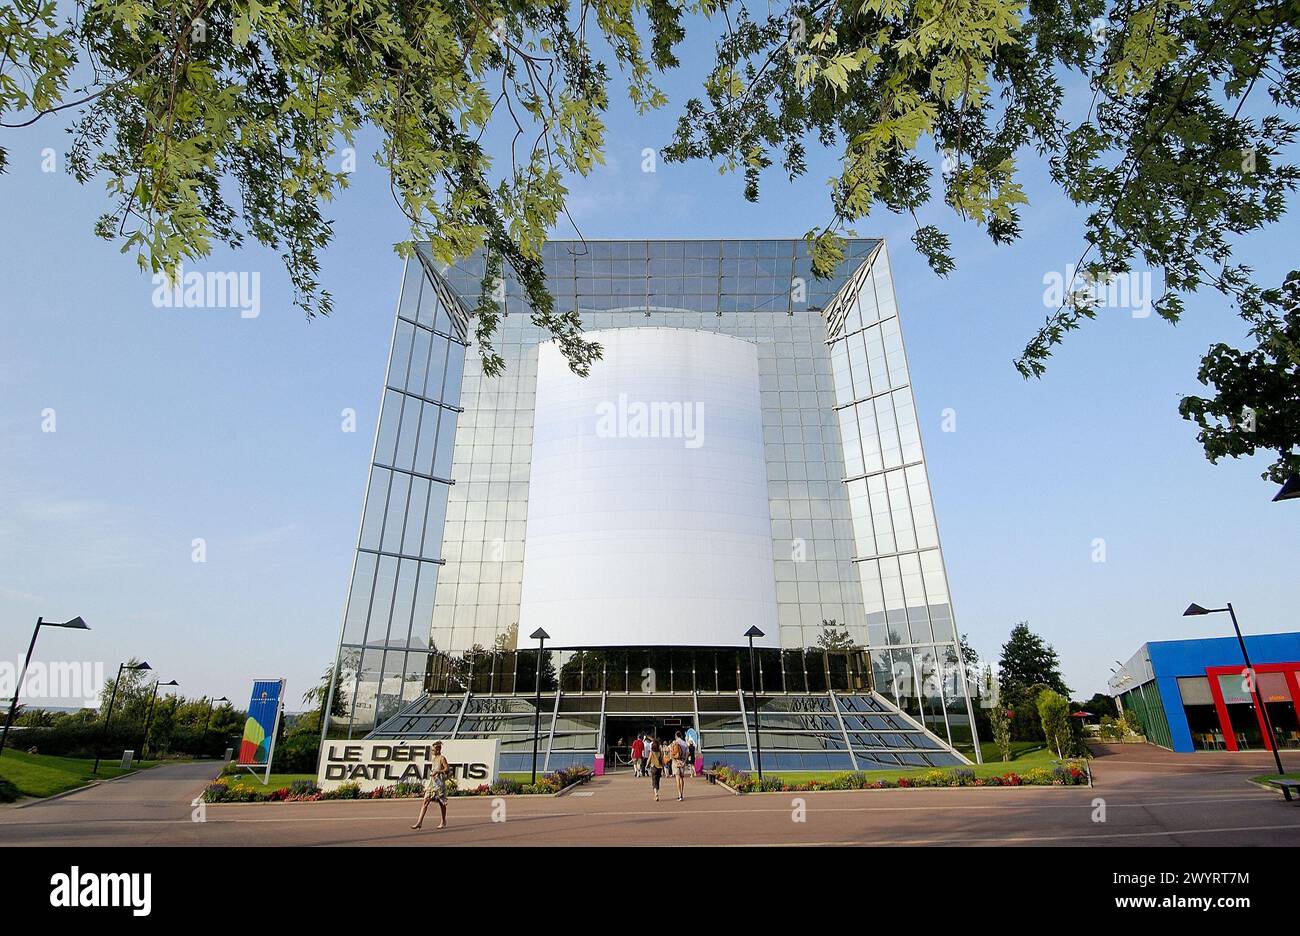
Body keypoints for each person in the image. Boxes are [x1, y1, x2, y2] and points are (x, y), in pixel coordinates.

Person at [412, 741, 451, 830]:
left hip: (439, 784)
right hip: (432, 783)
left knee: (442, 804)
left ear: (438, 750)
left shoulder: (442, 758)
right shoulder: (433, 759)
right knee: (425, 801)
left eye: (433, 750)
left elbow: (447, 769)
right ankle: (419, 822)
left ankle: (443, 821)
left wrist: (438, 772)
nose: (432, 752)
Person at [669, 732, 688, 801]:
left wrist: (675, 761)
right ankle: (682, 793)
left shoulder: (674, 743)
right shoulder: (685, 743)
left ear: (676, 736)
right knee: (682, 778)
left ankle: (679, 794)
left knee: (677, 777)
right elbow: (687, 753)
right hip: (682, 761)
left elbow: (671, 753)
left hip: (676, 761)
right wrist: (684, 762)